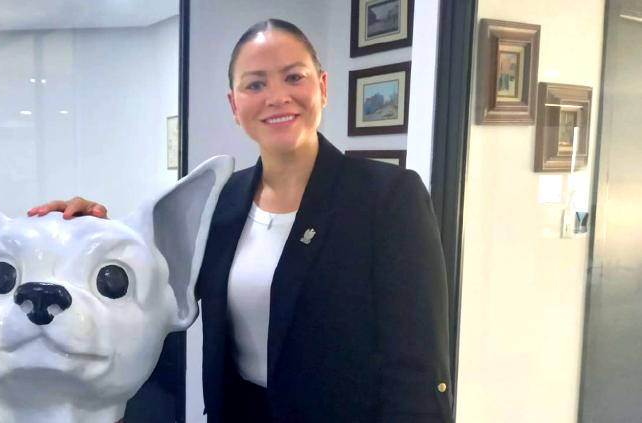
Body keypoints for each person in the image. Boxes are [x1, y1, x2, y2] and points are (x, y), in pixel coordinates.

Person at [30, 18, 452, 423]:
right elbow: (154, 277)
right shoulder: (222, 200)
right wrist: (89, 230)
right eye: (255, 84)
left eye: (294, 77)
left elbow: (417, 363)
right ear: (235, 105)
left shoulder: (386, 197)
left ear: (322, 88)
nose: (277, 97)